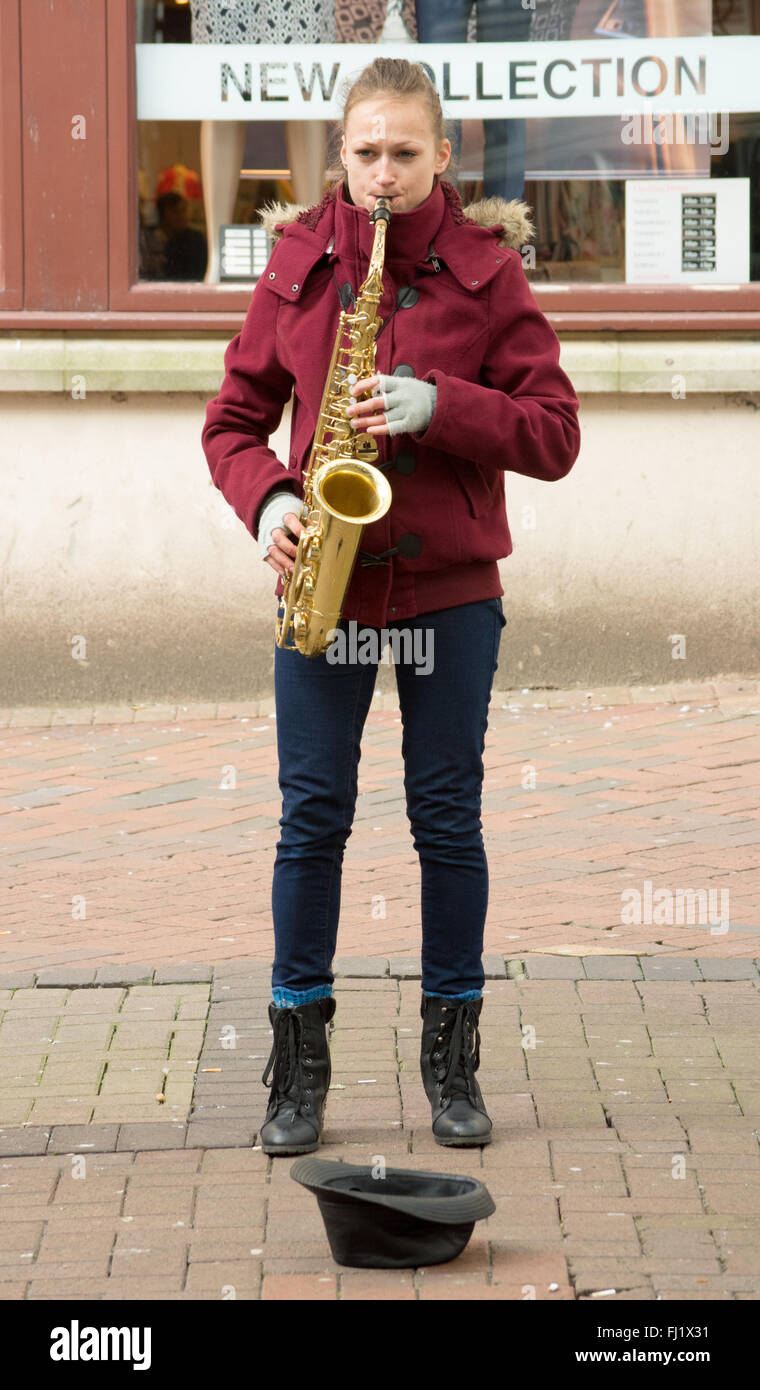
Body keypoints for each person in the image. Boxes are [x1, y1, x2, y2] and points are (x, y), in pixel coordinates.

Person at [201, 57, 581, 1156]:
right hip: (327, 585)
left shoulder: (488, 272)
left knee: (445, 821)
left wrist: (443, 405)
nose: (382, 174)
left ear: (442, 155)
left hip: (450, 593)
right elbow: (232, 419)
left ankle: (451, 1066)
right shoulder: (295, 262)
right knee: (311, 819)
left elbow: (553, 433)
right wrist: (267, 498)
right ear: (338, 154)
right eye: (364, 152)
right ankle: (296, 1064)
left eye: (404, 153)